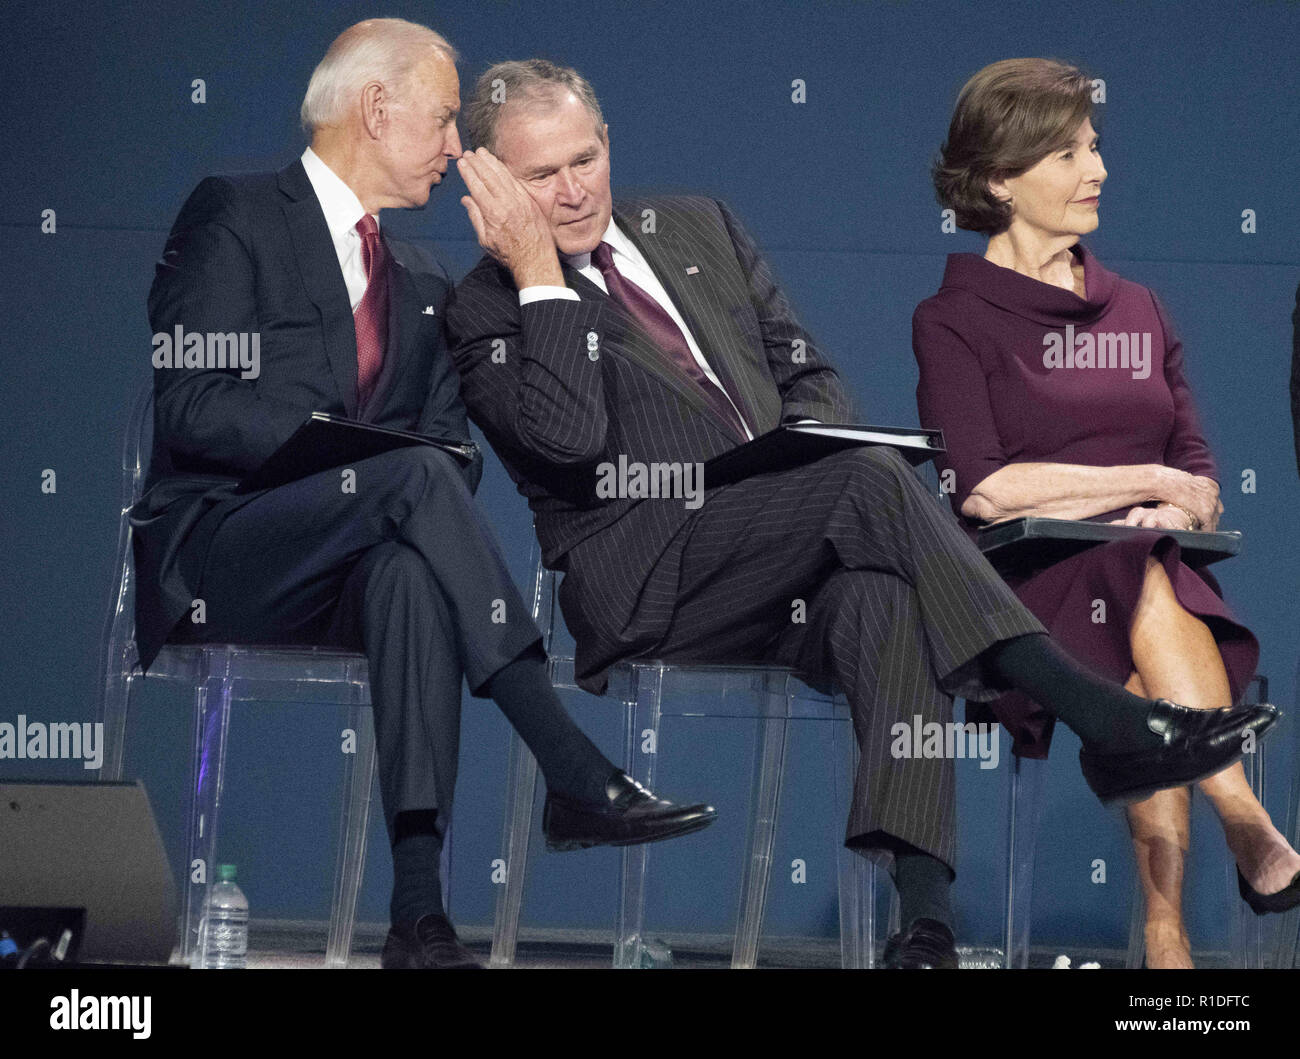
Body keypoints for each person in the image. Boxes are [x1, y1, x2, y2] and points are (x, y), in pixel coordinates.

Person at [443, 58, 1276, 968]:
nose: (571, 191)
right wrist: (538, 275)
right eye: (538, 178)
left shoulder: (694, 224)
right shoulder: (484, 310)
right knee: (871, 481)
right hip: (646, 575)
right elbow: (566, 441)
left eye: (584, 159)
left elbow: (810, 371)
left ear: (607, 143)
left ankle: (924, 924)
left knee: (886, 595)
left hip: (780, 555)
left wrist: (797, 462)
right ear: (487, 185)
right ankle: (1097, 712)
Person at [130, 19, 715, 971]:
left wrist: (385, 465)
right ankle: (567, 760)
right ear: (375, 107)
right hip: (224, 549)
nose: (457, 148)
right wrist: (343, 454)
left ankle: (419, 915)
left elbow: (453, 451)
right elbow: (192, 398)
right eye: (446, 120)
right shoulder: (235, 215)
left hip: (355, 561)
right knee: (399, 476)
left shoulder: (426, 279)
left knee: (409, 572)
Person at [913, 57, 1300, 967]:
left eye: (1095, 146)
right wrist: (1141, 485)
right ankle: (1239, 814)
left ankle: (1167, 934)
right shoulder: (953, 317)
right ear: (1000, 180)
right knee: (1140, 566)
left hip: (1146, 567)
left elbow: (1197, 469)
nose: (1098, 170)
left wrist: (1181, 492)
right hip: (1021, 595)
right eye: (1068, 154)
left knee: (1143, 573)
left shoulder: (1141, 307)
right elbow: (984, 485)